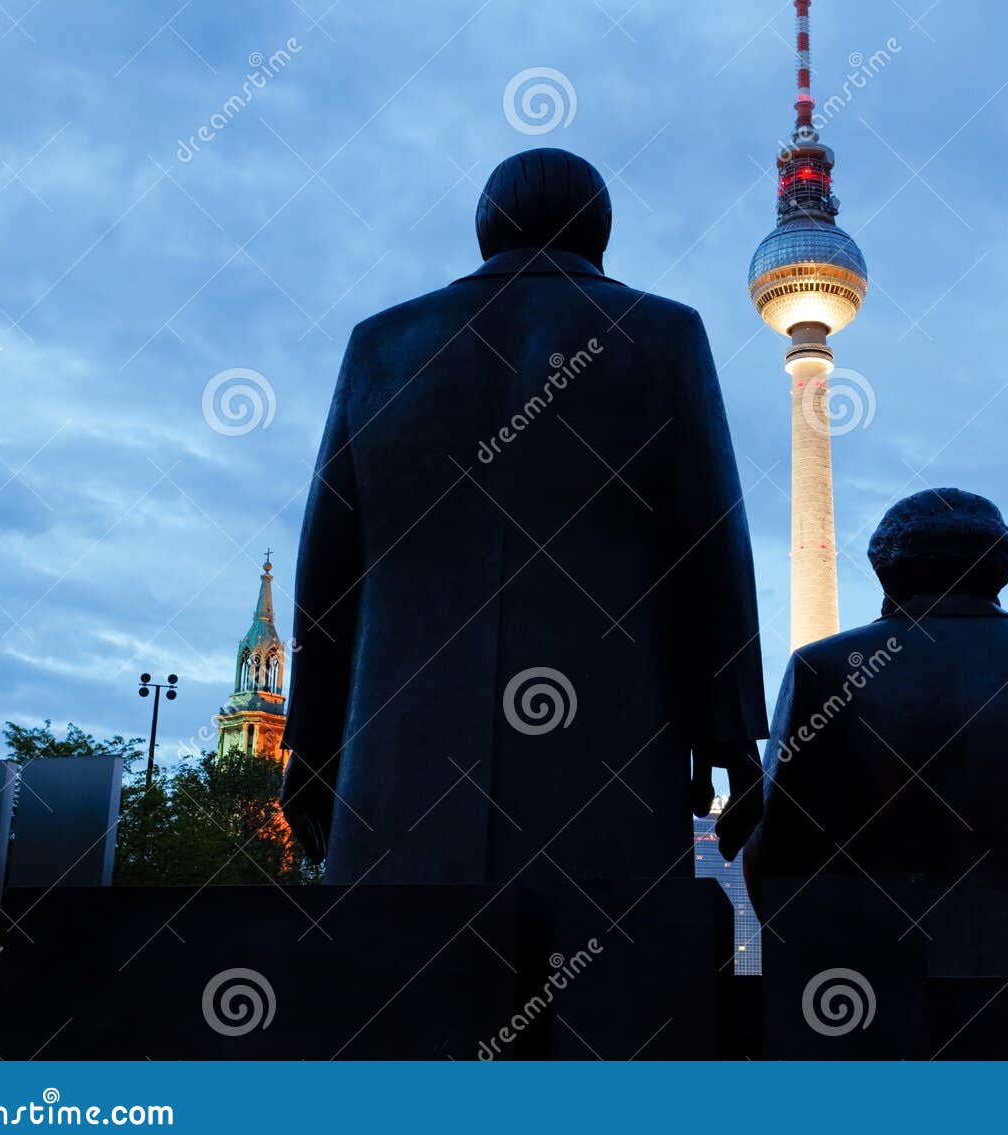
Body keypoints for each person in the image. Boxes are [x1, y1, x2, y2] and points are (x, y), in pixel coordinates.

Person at [281, 148, 766, 886]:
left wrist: (314, 743)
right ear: (600, 234)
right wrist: (731, 737)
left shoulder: (380, 345)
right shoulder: (663, 334)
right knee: (608, 950)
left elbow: (327, 562)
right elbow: (711, 544)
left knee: (392, 956)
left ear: (486, 230)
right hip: (612, 752)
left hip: (399, 759)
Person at [744, 488, 1008, 975]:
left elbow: (773, 854)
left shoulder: (826, 670)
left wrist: (822, 970)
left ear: (887, 573)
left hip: (874, 990)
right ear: (1001, 568)